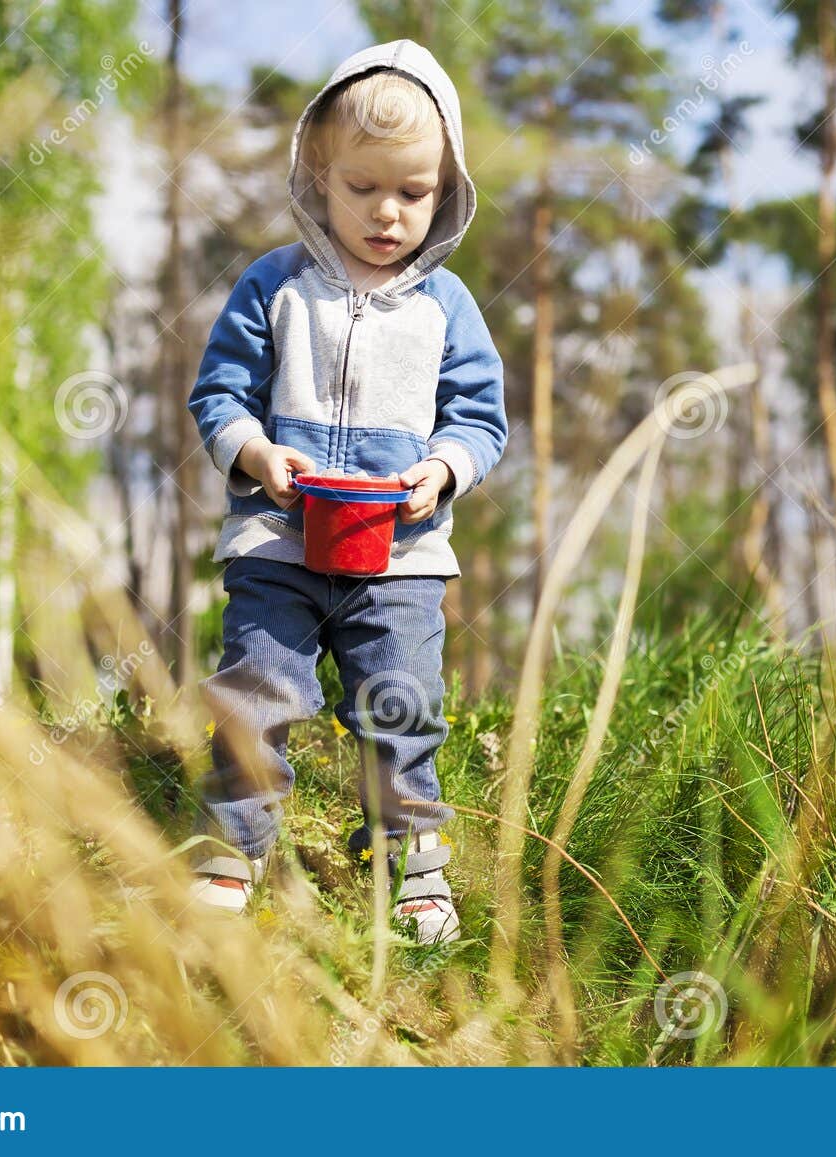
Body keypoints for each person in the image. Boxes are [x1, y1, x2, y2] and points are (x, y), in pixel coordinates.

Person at [184, 39, 507, 943]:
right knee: (258, 685)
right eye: (363, 188)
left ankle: (409, 858)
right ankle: (232, 847)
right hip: (279, 541)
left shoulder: (447, 307)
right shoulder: (276, 287)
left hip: (399, 555)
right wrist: (252, 454)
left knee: (401, 700)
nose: (387, 212)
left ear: (444, 191)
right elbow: (219, 392)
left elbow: (481, 419)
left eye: (413, 193)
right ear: (318, 176)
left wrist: (441, 469)